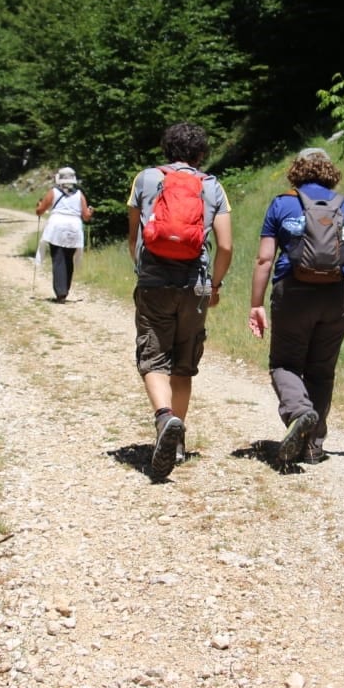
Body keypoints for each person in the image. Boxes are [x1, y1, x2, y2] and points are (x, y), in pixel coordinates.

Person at [248, 148, 344, 464]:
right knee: (321, 369)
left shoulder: (282, 204)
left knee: (285, 363)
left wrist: (256, 304)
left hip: (292, 289)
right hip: (339, 293)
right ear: (329, 173)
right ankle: (313, 444)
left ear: (297, 171)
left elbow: (265, 258)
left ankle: (300, 412)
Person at [127, 122, 233, 479]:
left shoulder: (144, 179)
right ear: (201, 154)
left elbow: (133, 237)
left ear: (166, 149)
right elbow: (227, 246)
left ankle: (163, 418)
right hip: (196, 284)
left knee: (154, 355)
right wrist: (214, 285)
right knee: (183, 360)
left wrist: (142, 272)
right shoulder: (212, 186)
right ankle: (176, 439)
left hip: (154, 281)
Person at [35, 166, 94, 302]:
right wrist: (91, 212)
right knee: (68, 259)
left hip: (57, 227)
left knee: (58, 258)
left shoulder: (53, 192)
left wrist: (38, 206)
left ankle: (60, 292)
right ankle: (65, 290)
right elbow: (86, 216)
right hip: (74, 228)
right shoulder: (80, 194)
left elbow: (40, 211)